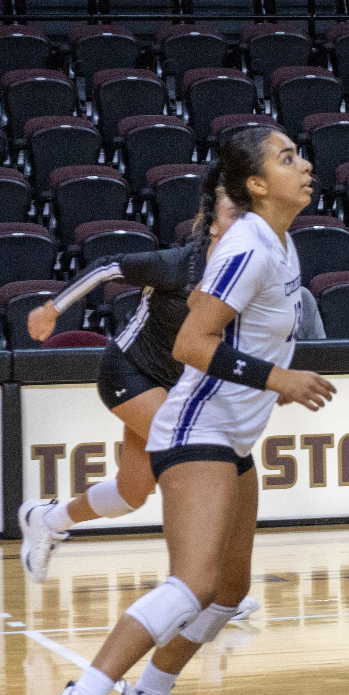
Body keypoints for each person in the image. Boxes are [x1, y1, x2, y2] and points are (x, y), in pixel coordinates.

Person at [33, 127, 338, 695]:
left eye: (299, 154)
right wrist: (277, 377)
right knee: (194, 582)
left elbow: (223, 316)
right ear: (256, 185)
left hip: (237, 434)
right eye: (287, 159)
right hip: (196, 426)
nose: (305, 164)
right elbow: (189, 346)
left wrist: (264, 370)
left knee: (229, 589)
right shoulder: (251, 247)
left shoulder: (279, 243)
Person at [16, 188, 245, 586]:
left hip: (175, 387)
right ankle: (213, 586)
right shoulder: (177, 265)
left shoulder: (245, 277)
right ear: (211, 225)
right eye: (233, 215)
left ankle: (45, 520)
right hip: (128, 371)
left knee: (130, 493)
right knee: (198, 459)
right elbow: (106, 267)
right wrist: (52, 309)